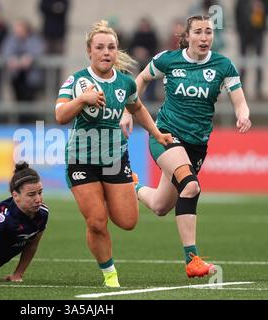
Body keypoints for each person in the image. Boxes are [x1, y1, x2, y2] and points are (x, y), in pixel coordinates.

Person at [120, 15, 252, 278]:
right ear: (187, 36)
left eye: (209, 32)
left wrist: (243, 113)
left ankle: (130, 184)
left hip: (197, 145)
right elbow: (142, 79)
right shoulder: (168, 60)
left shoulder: (223, 65)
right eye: (199, 32)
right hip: (166, 135)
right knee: (191, 187)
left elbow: (239, 99)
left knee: (159, 206)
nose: (204, 37)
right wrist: (127, 110)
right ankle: (192, 260)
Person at [55, 20, 172, 287]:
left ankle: (132, 183)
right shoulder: (76, 81)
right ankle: (110, 274)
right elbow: (60, 115)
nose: (106, 52)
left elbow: (138, 108)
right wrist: (82, 100)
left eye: (111, 47)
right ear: (90, 51)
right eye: (100, 47)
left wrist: (156, 134)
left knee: (128, 222)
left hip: (115, 160)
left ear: (116, 51)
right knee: (97, 221)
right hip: (81, 160)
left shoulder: (126, 83)